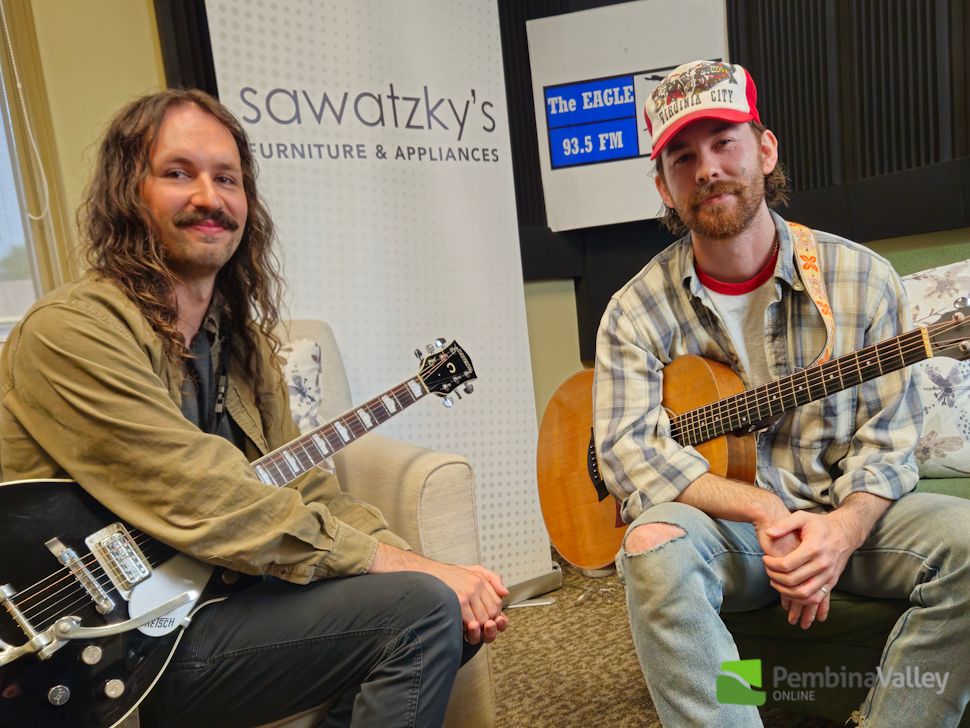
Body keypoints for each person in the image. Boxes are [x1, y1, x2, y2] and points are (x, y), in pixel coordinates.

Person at [0, 88, 507, 727]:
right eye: (178, 173)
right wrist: (406, 569)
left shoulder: (239, 342)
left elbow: (310, 484)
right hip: (104, 646)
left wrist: (424, 566)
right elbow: (204, 496)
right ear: (128, 192)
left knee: (441, 610)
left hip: (215, 597)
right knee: (423, 611)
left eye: (228, 179)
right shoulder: (69, 333)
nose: (210, 197)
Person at [593, 60, 970, 727]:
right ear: (663, 185)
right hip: (725, 530)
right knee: (651, 544)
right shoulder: (635, 310)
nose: (707, 168)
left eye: (724, 142)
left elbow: (890, 439)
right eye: (683, 157)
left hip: (848, 513)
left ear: (765, 150)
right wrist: (763, 509)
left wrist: (839, 530)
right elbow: (626, 449)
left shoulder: (862, 278)